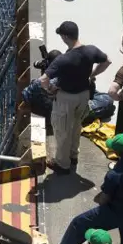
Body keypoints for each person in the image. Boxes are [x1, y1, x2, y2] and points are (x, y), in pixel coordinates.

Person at [39, 21, 111, 174]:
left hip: (66, 99)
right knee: (76, 125)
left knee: (62, 131)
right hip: (84, 96)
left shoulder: (63, 59)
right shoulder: (91, 51)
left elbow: (43, 80)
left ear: (65, 37)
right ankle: (73, 155)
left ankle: (62, 164)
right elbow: (107, 61)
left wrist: (49, 91)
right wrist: (92, 74)